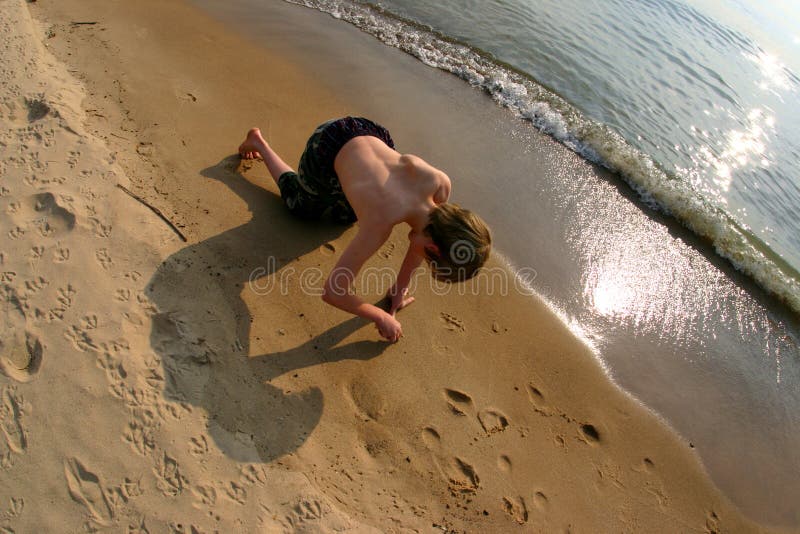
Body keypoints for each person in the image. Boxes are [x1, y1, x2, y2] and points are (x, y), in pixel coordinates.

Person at [239, 117, 491, 342]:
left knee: (345, 216)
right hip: (326, 144)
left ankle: (339, 188)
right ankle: (260, 143)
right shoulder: (379, 223)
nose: (423, 259)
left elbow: (422, 240)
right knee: (302, 207)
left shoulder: (440, 184)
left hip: (367, 130)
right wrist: (380, 316)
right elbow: (333, 292)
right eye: (430, 260)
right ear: (434, 248)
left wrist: (399, 290)